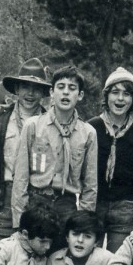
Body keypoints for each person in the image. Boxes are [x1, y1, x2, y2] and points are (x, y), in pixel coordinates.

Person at [11, 65, 98, 245]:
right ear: (52, 92)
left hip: (66, 203)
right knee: (34, 254)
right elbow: (20, 177)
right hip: (37, 200)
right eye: (61, 87)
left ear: (80, 95)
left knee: (61, 255)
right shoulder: (33, 126)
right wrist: (19, 219)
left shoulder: (88, 133)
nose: (66, 93)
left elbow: (90, 183)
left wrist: (83, 219)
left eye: (72, 88)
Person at [0, 58, 50, 249]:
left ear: (43, 92)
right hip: (3, 198)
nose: (30, 93)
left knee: (31, 257)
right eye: (25, 86)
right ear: (16, 89)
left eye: (36, 88)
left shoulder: (50, 123)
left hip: (35, 198)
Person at [88, 67, 133, 252]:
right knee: (91, 256)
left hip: (124, 205)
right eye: (115, 92)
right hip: (94, 202)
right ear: (106, 97)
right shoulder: (92, 128)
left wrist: (125, 190)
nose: (120, 99)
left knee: (118, 259)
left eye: (127, 94)